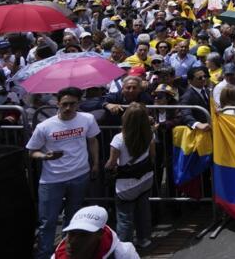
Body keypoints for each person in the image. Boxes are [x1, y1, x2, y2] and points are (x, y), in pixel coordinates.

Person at [26, 87, 101, 259]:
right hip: (52, 180)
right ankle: (44, 255)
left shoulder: (87, 119)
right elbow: (31, 151)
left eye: (72, 104)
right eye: (65, 104)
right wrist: (45, 156)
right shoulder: (44, 126)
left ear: (78, 104)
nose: (68, 108)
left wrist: (96, 163)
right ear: (58, 104)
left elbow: (92, 141)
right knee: (48, 222)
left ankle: (67, 254)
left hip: (80, 176)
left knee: (73, 220)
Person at [105, 103, 155, 249]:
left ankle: (124, 247)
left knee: (125, 217)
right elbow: (152, 156)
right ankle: (144, 239)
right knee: (143, 212)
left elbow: (112, 163)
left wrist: (105, 167)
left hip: (126, 185)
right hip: (146, 178)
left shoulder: (119, 139)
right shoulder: (150, 133)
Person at [51, 205, 139, 259]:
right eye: (71, 233)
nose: (73, 241)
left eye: (83, 235)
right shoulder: (58, 255)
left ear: (100, 234)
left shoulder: (124, 254)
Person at [179, 66, 211, 130]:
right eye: (200, 78)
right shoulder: (187, 96)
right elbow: (186, 114)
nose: (203, 79)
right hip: (199, 132)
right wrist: (197, 124)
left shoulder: (208, 91)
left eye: (205, 76)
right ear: (190, 81)